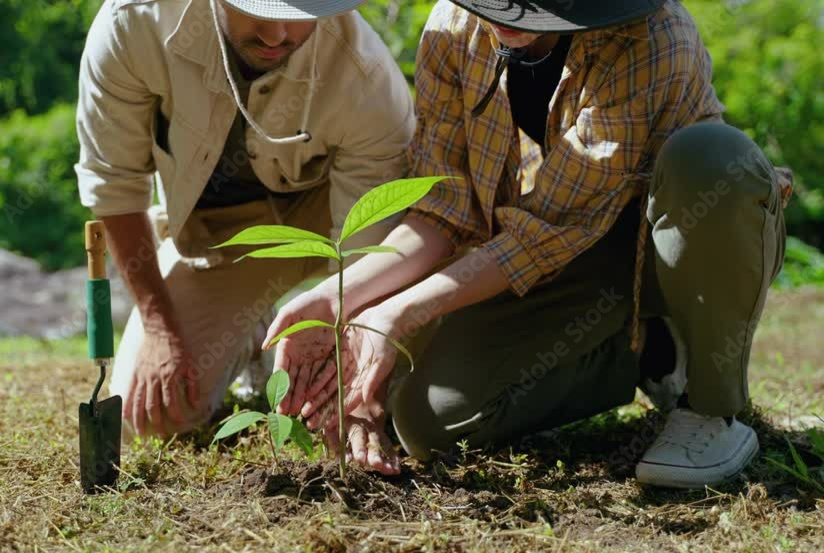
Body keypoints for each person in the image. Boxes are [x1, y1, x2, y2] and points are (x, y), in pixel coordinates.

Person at [267, 0, 792, 487]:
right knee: (433, 421)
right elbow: (444, 209)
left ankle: (710, 405)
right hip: (580, 255)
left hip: (682, 242)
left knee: (709, 155)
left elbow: (549, 228)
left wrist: (397, 316)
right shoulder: (455, 29)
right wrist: (342, 300)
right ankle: (653, 353)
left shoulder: (650, 37)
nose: (504, 14)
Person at [75, 0, 414, 437]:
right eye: (256, 8)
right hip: (221, 237)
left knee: (397, 399)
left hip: (333, 221)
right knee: (154, 417)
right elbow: (114, 182)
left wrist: (350, 371)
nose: (276, 35)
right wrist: (161, 328)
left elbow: (367, 247)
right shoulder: (133, 22)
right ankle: (251, 330)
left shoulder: (368, 76)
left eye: (298, 15)